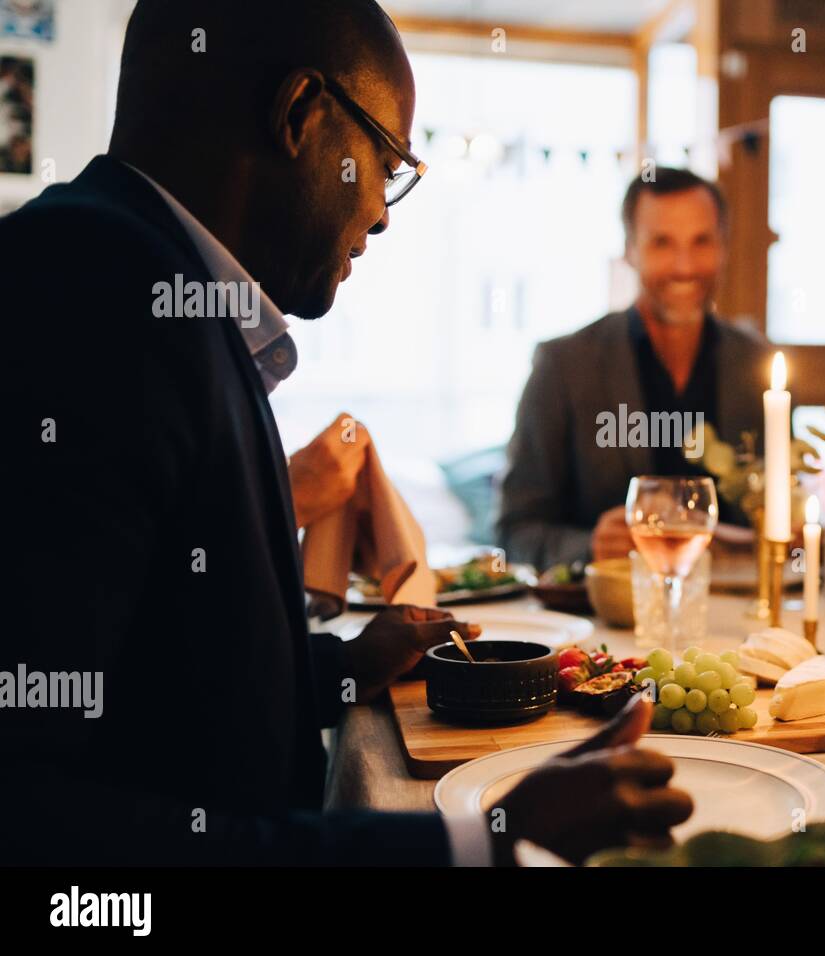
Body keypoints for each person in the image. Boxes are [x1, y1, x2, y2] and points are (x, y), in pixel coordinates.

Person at [0, 0, 689, 866]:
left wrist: (345, 666)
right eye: (387, 161)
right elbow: (30, 808)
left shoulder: (159, 286)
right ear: (298, 117)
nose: (388, 213)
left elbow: (160, 690)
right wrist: (477, 843)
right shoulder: (86, 302)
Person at [496, 168, 771, 570]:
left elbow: (776, 513)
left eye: (702, 241)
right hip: (606, 621)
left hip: (735, 618)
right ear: (629, 250)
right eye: (662, 243)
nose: (684, 266)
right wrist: (590, 547)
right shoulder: (564, 366)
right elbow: (512, 535)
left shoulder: (756, 364)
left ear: (724, 246)